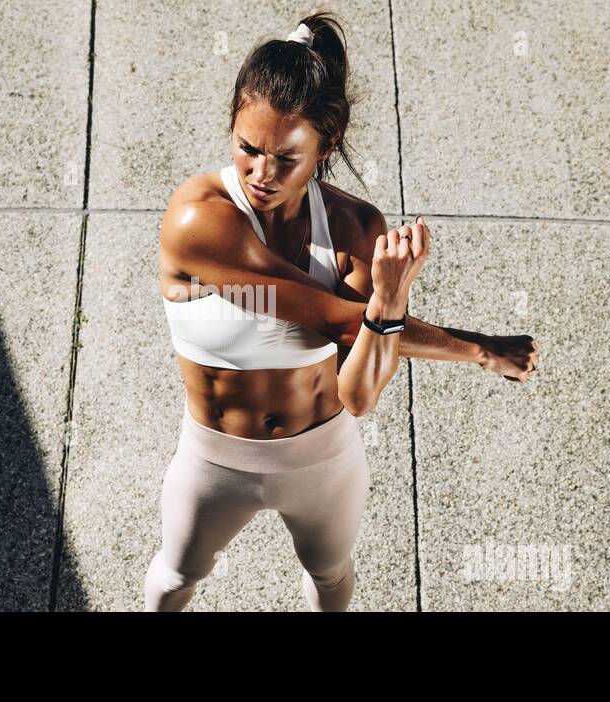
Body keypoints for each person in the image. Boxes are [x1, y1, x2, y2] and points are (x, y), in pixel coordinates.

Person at [145, 12, 538, 612]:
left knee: (331, 578)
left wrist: (389, 302)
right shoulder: (201, 220)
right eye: (247, 149)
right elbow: (335, 319)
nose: (261, 174)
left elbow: (358, 395)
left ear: (323, 148)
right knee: (177, 576)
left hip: (324, 453)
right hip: (216, 458)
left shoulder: (356, 226)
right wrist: (479, 350)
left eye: (285, 158)